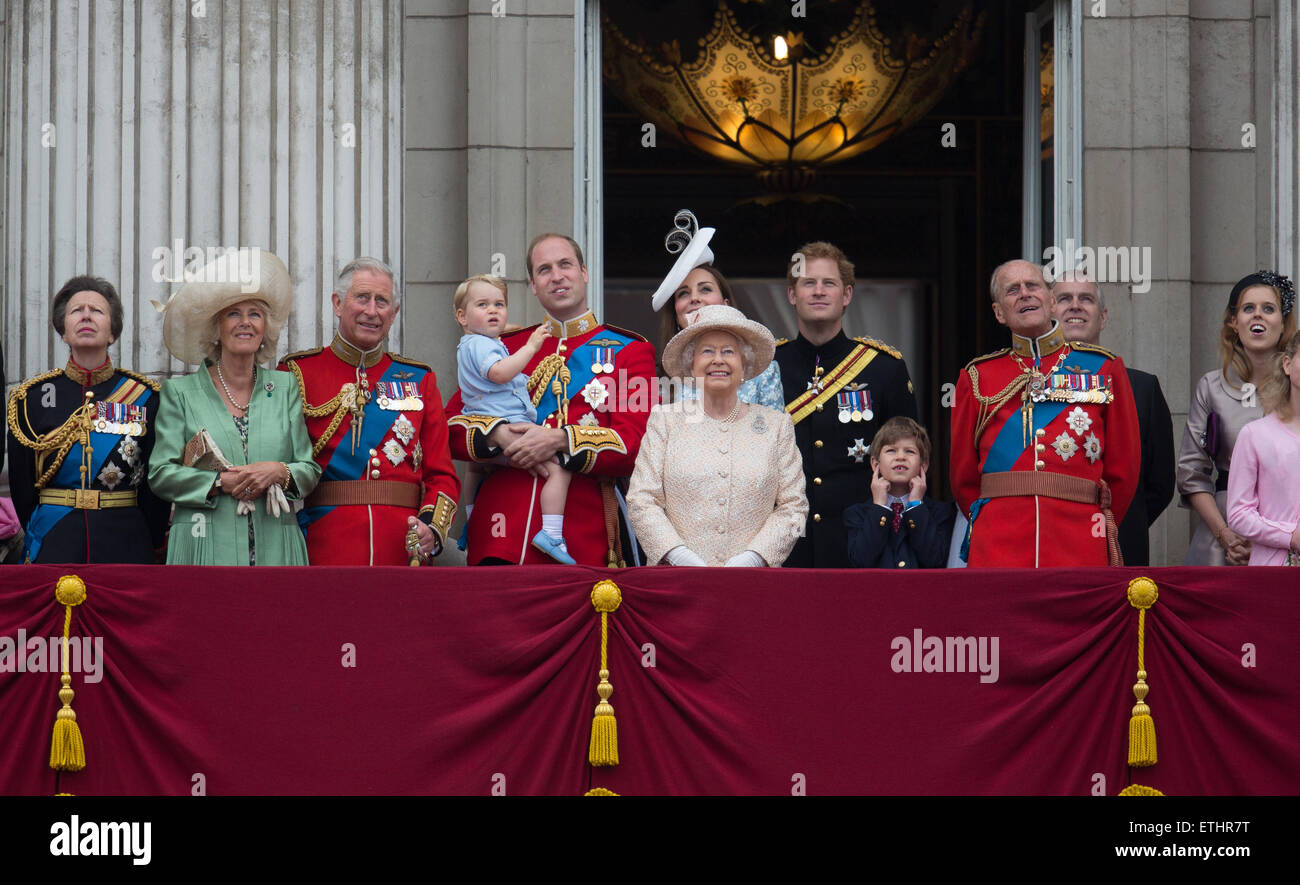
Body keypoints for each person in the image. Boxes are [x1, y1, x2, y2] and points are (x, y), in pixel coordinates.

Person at [445, 233, 656, 566]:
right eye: (544, 269)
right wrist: (497, 435)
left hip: (581, 535)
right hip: (500, 531)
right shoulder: (505, 347)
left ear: (584, 272)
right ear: (532, 284)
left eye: (565, 265)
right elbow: (450, 428)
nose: (556, 276)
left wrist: (560, 439)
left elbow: (636, 444)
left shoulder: (631, 351)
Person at [950, 259, 1140, 566]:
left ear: (1052, 302)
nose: (1024, 294)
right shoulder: (976, 376)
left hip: (1078, 539)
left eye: (1033, 285)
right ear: (999, 313)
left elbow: (1123, 469)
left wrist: (1093, 520)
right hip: (998, 542)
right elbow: (963, 478)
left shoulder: (1105, 368)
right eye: (1013, 290)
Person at [279, 257, 461, 565]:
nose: (372, 311)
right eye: (362, 298)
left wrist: (431, 527)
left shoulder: (420, 379)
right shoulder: (297, 373)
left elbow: (442, 473)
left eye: (382, 301)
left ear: (394, 314)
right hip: (325, 545)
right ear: (337, 303)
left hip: (403, 548)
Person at [148, 249, 321, 565]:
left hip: (276, 548)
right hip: (204, 549)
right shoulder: (180, 393)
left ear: (265, 326)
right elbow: (161, 474)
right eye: (233, 314)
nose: (245, 323)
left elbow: (308, 471)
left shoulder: (285, 388)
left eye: (254, 314)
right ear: (216, 328)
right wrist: (218, 482)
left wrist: (279, 471)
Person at [627, 304, 807, 566]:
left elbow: (794, 508)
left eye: (729, 352)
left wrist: (751, 560)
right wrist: (681, 558)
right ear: (691, 364)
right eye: (707, 351)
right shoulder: (664, 421)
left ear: (744, 365)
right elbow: (641, 500)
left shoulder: (776, 426)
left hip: (754, 584)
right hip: (676, 581)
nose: (718, 360)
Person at [774, 241, 918, 567]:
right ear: (792, 295)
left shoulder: (884, 368)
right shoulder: (768, 367)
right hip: (785, 543)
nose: (818, 291)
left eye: (829, 283)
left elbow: (906, 463)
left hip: (862, 541)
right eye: (808, 283)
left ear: (847, 295)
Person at [6, 276, 168, 563]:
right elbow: (22, 485)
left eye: (96, 310)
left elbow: (154, 485)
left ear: (112, 333)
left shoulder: (146, 397)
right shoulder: (30, 398)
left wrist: (152, 538)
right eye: (76, 310)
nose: (86, 316)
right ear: (64, 332)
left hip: (125, 538)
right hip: (54, 537)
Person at [1051, 272, 1175, 565]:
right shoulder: (1027, 386)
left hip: (1119, 543)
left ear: (1103, 317)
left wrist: (1115, 523)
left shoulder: (1143, 388)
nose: (1075, 306)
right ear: (1049, 314)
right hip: (1050, 543)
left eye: (1086, 299)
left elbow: (1160, 484)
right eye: (1064, 299)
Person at [1177, 271, 1296, 565]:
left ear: (1283, 322)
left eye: (1268, 308)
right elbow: (1192, 474)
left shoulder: (1296, 387)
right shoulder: (1212, 387)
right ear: (1234, 321)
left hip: (1289, 533)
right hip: (1224, 530)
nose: (1258, 316)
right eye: (1248, 308)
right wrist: (1225, 534)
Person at [454, 273, 573, 563]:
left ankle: (470, 519)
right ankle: (553, 533)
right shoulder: (484, 345)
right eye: (483, 305)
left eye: (499, 304)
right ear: (462, 316)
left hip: (481, 420)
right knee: (558, 469)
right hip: (507, 422)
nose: (493, 311)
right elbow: (499, 373)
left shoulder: (470, 342)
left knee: (475, 470)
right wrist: (530, 347)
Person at [649, 211, 785, 411]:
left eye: (705, 289)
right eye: (683, 294)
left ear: (726, 304)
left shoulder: (763, 371)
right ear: (676, 314)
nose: (694, 298)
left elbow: (776, 437)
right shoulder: (660, 377)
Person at [1227, 329, 1300, 565]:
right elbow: (1238, 514)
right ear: (1287, 365)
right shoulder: (1256, 434)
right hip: (1272, 572)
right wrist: (1288, 536)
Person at [844, 417, 955, 569]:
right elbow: (862, 560)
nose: (900, 457)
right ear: (875, 464)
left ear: (923, 465)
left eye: (909, 451)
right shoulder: (857, 514)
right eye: (891, 450)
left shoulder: (941, 513)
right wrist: (879, 508)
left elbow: (935, 559)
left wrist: (916, 505)